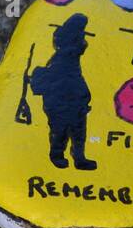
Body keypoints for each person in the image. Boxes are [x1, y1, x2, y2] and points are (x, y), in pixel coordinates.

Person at [30, 12, 98, 170]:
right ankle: (57, 156)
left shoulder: (70, 60)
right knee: (60, 132)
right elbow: (66, 81)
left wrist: (82, 99)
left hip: (74, 103)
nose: (84, 42)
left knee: (78, 132)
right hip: (62, 103)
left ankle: (78, 158)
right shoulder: (63, 60)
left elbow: (75, 81)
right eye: (81, 38)